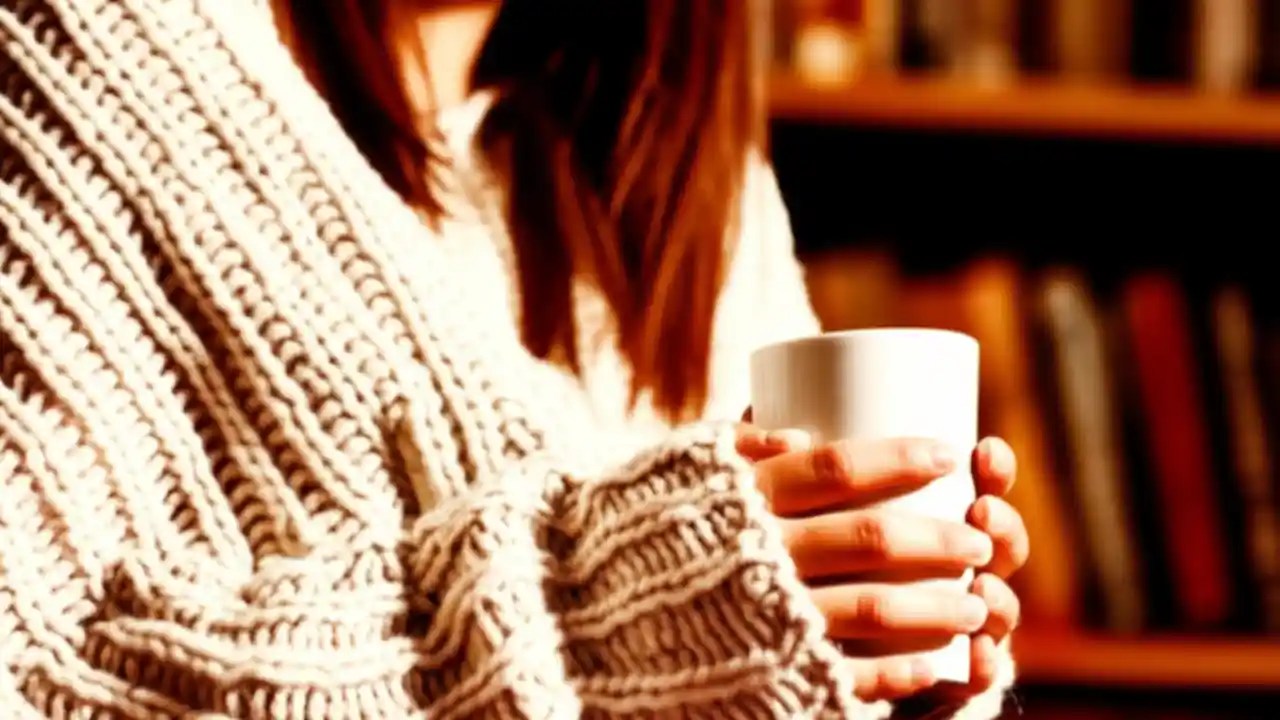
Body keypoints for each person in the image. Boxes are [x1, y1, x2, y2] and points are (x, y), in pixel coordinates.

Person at [0, 2, 1024, 720]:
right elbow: (36, 670)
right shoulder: (88, 64)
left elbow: (764, 654)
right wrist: (601, 636)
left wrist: (884, 663)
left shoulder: (692, 186)